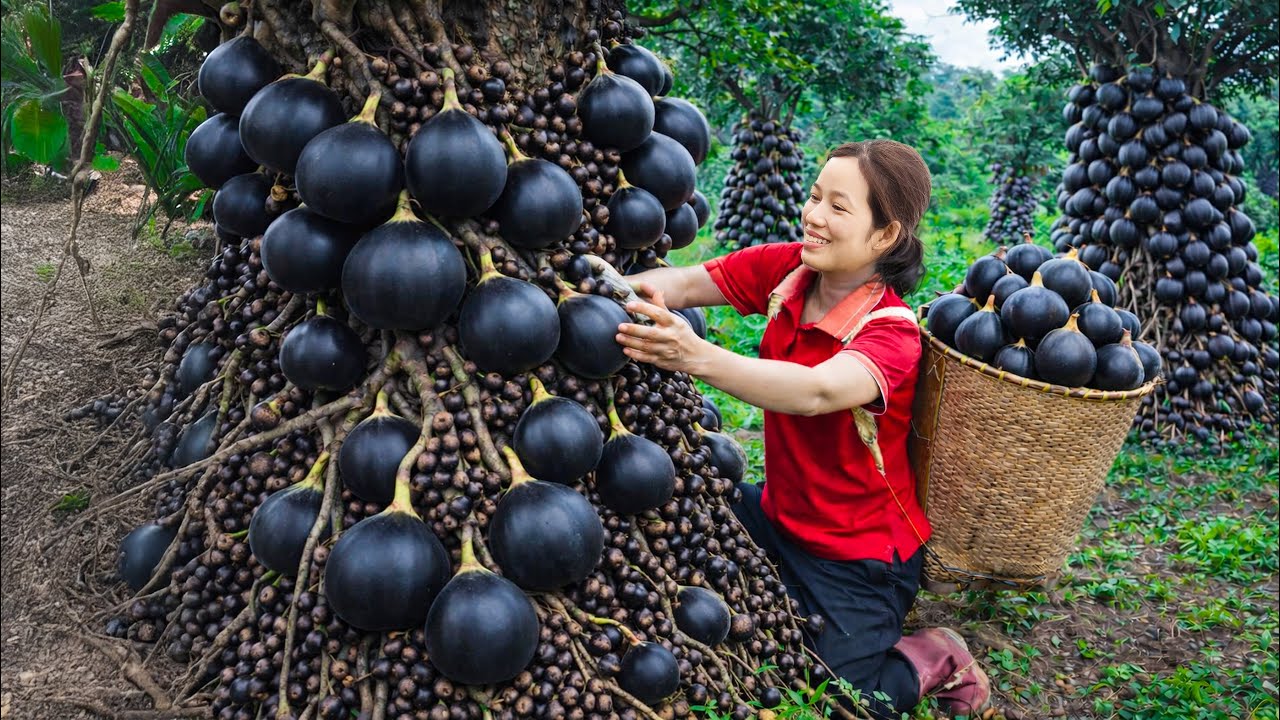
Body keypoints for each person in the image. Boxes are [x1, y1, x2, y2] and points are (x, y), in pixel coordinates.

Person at [615, 140, 991, 718]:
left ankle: (934, 656)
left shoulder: (891, 334)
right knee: (663, 518)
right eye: (816, 196)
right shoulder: (787, 267)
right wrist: (606, 283)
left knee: (840, 702)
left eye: (839, 208)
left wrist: (694, 354)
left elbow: (817, 393)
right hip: (777, 516)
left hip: (858, 557)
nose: (814, 216)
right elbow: (682, 285)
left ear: (885, 235)